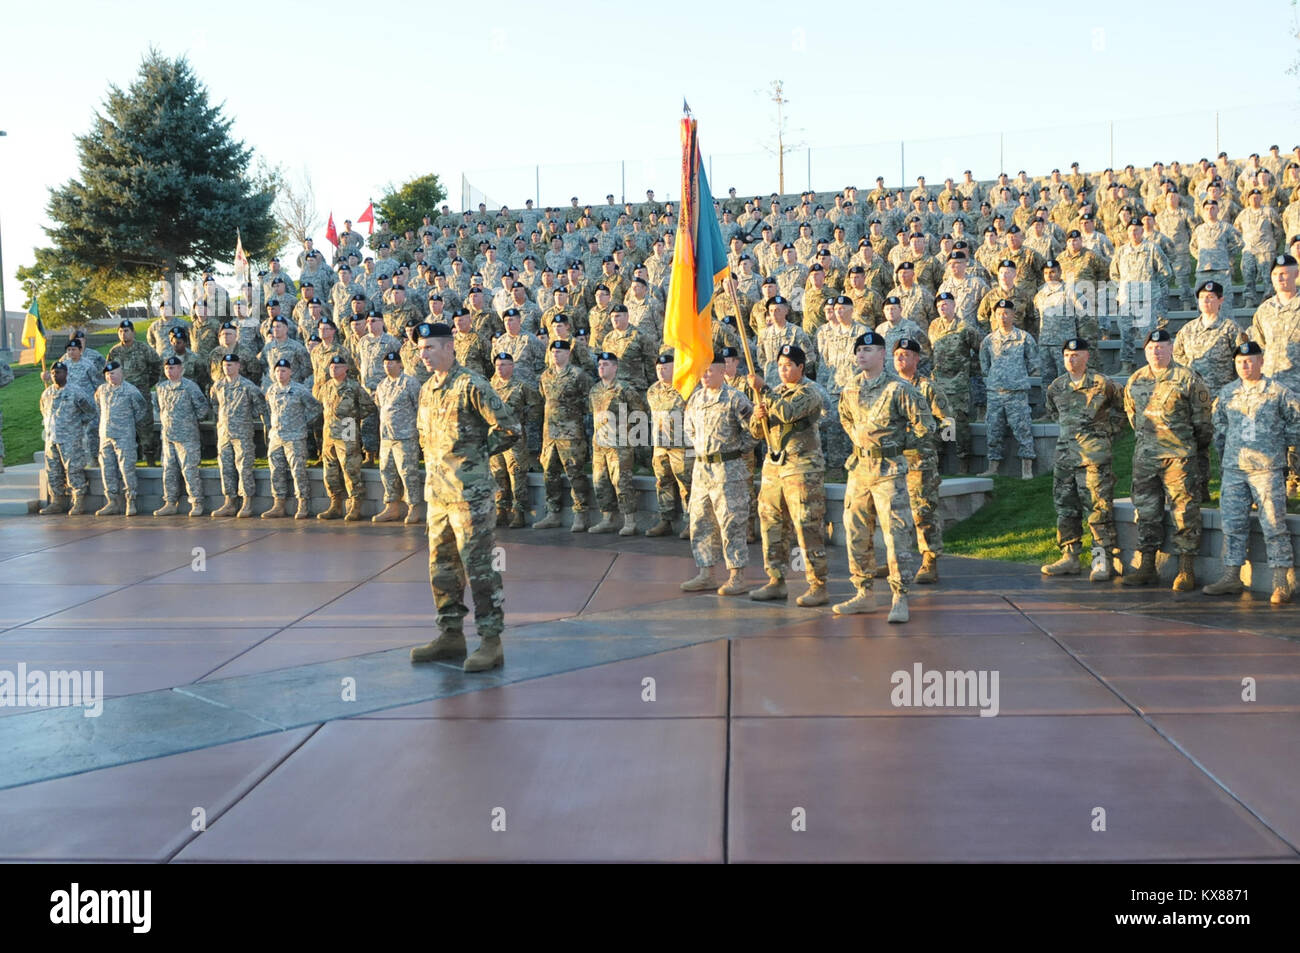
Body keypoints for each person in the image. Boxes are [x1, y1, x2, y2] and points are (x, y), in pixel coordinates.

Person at [410, 322, 522, 673]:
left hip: (470, 497)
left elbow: (509, 428)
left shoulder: (471, 384)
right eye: (420, 349)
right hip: (439, 496)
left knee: (480, 569)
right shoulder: (428, 388)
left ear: (448, 348)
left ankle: (491, 641)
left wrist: (476, 455)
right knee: (441, 568)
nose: (423, 354)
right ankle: (450, 634)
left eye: (429, 348)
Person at [834, 332, 929, 621]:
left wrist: (895, 446)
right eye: (858, 350)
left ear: (882, 354)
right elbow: (845, 417)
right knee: (856, 532)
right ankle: (863, 592)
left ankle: (900, 596)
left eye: (868, 350)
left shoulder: (899, 389)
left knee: (895, 535)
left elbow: (925, 427)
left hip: (889, 471)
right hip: (859, 469)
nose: (861, 355)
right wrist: (859, 439)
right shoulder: (850, 388)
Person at [1204, 341, 1300, 603]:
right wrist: (1225, 456)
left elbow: (1297, 421)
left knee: (1273, 524)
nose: (1244, 366)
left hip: (1266, 469)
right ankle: (1231, 575)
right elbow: (1219, 426)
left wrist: (1281, 444)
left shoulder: (1278, 392)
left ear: (1260, 361)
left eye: (1249, 361)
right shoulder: (1227, 393)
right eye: (1239, 362)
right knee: (1232, 524)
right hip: (1234, 469)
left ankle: (1281, 581)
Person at [1122, 329, 1213, 590]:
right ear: (1145, 351)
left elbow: (1203, 423)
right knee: (1147, 512)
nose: (1156, 351)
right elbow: (1133, 417)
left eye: (1161, 346)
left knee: (1185, 513)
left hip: (1179, 459)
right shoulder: (1136, 380)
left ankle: (1186, 569)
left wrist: (1188, 447)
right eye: (1151, 348)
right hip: (1146, 458)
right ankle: (1147, 566)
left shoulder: (1188, 378)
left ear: (1171, 348)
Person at [748, 344, 829, 607]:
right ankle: (776, 579)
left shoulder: (809, 391)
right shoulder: (775, 393)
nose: (782, 370)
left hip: (802, 467)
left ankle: (817, 584)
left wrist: (764, 391)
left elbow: (788, 412)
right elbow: (756, 432)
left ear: (801, 367)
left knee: (806, 525)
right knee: (771, 523)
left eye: (788, 366)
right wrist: (757, 416)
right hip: (774, 467)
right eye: (780, 366)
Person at [1040, 339, 1128, 580]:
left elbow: (1124, 408)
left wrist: (1108, 431)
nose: (1071, 359)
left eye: (1076, 354)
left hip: (1094, 457)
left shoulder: (1103, 384)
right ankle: (1070, 557)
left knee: (1098, 510)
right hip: (1066, 456)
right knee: (1065, 508)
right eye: (1067, 355)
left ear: (1087, 356)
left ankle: (1101, 561)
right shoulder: (1056, 387)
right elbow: (1054, 412)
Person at [681, 351, 755, 595]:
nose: (704, 375)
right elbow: (690, 430)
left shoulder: (735, 398)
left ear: (723, 371)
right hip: (702, 469)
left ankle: (737, 575)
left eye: (710, 370)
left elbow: (753, 430)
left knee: (731, 522)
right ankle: (706, 573)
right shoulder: (695, 399)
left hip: (728, 469)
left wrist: (736, 451)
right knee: (700, 521)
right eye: (702, 370)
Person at [1173, 280, 1244, 502]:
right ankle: (1201, 489)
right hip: (1196, 401)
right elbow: (1178, 357)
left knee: (1227, 446)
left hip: (1224, 398)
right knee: (1198, 446)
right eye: (1203, 297)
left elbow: (1242, 361)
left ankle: (1231, 492)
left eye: (1211, 297)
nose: (1206, 301)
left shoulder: (1231, 329)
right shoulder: (1188, 330)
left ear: (1221, 300)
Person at [890, 337, 950, 584]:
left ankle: (929, 560)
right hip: (892, 460)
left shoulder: (928, 387)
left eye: (906, 354)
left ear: (917, 359)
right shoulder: (888, 387)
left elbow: (948, 421)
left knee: (923, 511)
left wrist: (935, 448)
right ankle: (895, 559)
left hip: (920, 461)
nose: (901, 358)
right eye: (897, 355)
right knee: (892, 512)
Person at [534, 339, 595, 531]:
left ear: (568, 354)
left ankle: (581, 514)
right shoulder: (545, 376)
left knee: (575, 473)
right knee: (549, 474)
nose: (555, 355)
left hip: (571, 434)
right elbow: (544, 399)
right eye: (553, 352)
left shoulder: (578, 375)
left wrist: (576, 416)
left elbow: (589, 400)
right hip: (549, 434)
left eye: (559, 352)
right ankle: (553, 513)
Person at [978, 300, 1038, 479]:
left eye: (1006, 313)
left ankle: (1026, 469)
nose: (1002, 317)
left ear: (1013, 315)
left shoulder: (1024, 338)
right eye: (999, 314)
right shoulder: (989, 340)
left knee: (1023, 430)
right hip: (995, 393)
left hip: (1017, 393)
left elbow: (1033, 363)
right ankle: (993, 468)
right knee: (993, 430)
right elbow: (985, 365)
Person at [208, 353, 268, 518]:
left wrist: (245, 418)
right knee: (226, 468)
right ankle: (230, 502)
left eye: (231, 365)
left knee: (244, 468)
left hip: (242, 433)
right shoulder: (218, 386)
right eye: (225, 365)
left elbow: (260, 408)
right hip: (224, 433)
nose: (228, 368)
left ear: (238, 366)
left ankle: (247, 502)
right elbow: (214, 404)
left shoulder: (248, 387)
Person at [587, 351, 641, 536]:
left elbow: (639, 413)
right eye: (600, 364)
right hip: (600, 444)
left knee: (622, 483)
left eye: (606, 364)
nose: (601, 367)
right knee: (600, 483)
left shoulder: (624, 389)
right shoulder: (595, 390)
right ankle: (607, 519)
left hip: (620, 445)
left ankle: (629, 520)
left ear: (615, 367)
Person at [317, 355, 375, 521]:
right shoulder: (326, 387)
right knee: (330, 471)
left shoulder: (353, 387)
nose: (333, 369)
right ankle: (335, 504)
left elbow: (369, 407)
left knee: (350, 468)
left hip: (347, 428)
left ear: (346, 369)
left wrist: (352, 417)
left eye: (338, 366)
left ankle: (355, 505)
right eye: (331, 367)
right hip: (329, 431)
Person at [152, 355, 211, 517]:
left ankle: (197, 502)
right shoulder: (161, 387)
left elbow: (202, 409)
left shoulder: (190, 387)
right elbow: (159, 408)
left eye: (172, 368)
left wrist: (187, 421)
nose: (169, 371)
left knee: (189, 470)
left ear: (180, 369)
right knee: (169, 471)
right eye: (167, 368)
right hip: (168, 436)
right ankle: (170, 502)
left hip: (187, 437)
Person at [262, 357, 321, 519]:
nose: (280, 374)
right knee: (276, 470)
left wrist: (302, 423)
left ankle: (303, 503)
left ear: (290, 372)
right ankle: (278, 504)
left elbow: (315, 408)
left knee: (298, 471)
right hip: (276, 437)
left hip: (295, 438)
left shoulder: (299, 390)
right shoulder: (271, 390)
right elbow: (267, 411)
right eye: (277, 371)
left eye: (283, 371)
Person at [372, 351, 426, 525]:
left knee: (408, 473)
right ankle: (392, 507)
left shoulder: (410, 383)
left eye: (392, 362)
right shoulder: (382, 385)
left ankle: (413, 507)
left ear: (400, 364)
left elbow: (420, 408)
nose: (388, 365)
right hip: (387, 436)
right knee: (387, 472)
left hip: (405, 436)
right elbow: (380, 407)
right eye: (386, 363)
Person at [645, 352, 693, 539]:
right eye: (658, 369)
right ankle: (666, 520)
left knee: (686, 485)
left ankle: (691, 522)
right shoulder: (652, 390)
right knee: (663, 482)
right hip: (660, 446)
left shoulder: (686, 388)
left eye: (665, 368)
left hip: (682, 445)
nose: (661, 372)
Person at [93, 360, 150, 516]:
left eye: (113, 373)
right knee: (107, 469)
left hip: (124, 436)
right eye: (107, 374)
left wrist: (126, 423)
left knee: (127, 469)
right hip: (106, 436)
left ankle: (130, 501)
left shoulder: (131, 391)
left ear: (121, 373)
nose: (110, 376)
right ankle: (112, 502)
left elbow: (141, 410)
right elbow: (98, 407)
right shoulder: (101, 390)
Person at [38, 361, 96, 515]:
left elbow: (90, 412)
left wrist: (76, 424)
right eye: (53, 373)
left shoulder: (76, 392)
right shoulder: (47, 393)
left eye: (59, 372)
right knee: (53, 471)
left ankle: (78, 501)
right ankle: (56, 501)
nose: (56, 375)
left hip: (70, 439)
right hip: (52, 439)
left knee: (73, 470)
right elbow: (44, 411)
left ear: (66, 373)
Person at [488, 352, 537, 528]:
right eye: (498, 365)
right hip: (495, 438)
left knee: (517, 473)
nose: (500, 368)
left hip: (514, 437)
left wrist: (523, 420)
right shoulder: (489, 386)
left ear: (512, 366)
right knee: (498, 474)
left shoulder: (521, 387)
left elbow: (536, 406)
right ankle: (501, 510)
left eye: (504, 365)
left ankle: (519, 512)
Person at [107, 320, 162, 466]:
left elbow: (157, 365)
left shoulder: (143, 348)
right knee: (125, 430)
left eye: (126, 331)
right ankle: (129, 461)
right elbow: (108, 372)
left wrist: (148, 383)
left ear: (133, 332)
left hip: (140, 395)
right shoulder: (114, 352)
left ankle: (150, 459)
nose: (123, 334)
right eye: (121, 331)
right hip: (121, 398)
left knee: (145, 428)